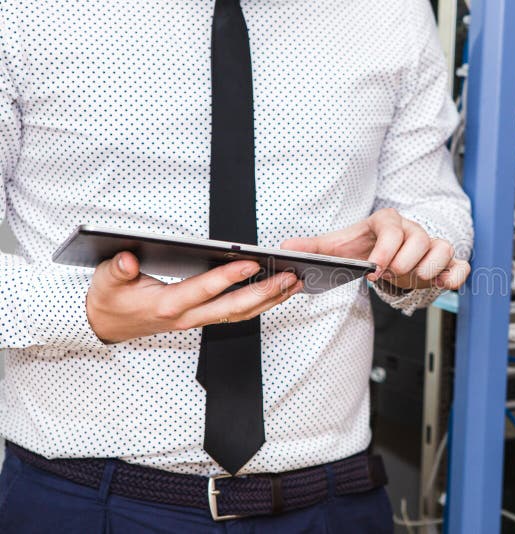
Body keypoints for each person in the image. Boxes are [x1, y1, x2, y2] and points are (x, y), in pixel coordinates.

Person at [0, 0, 473, 532]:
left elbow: (431, 200)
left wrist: (418, 250)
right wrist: (84, 312)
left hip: (333, 500)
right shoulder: (23, 12)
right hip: (87, 500)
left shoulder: (395, 13)